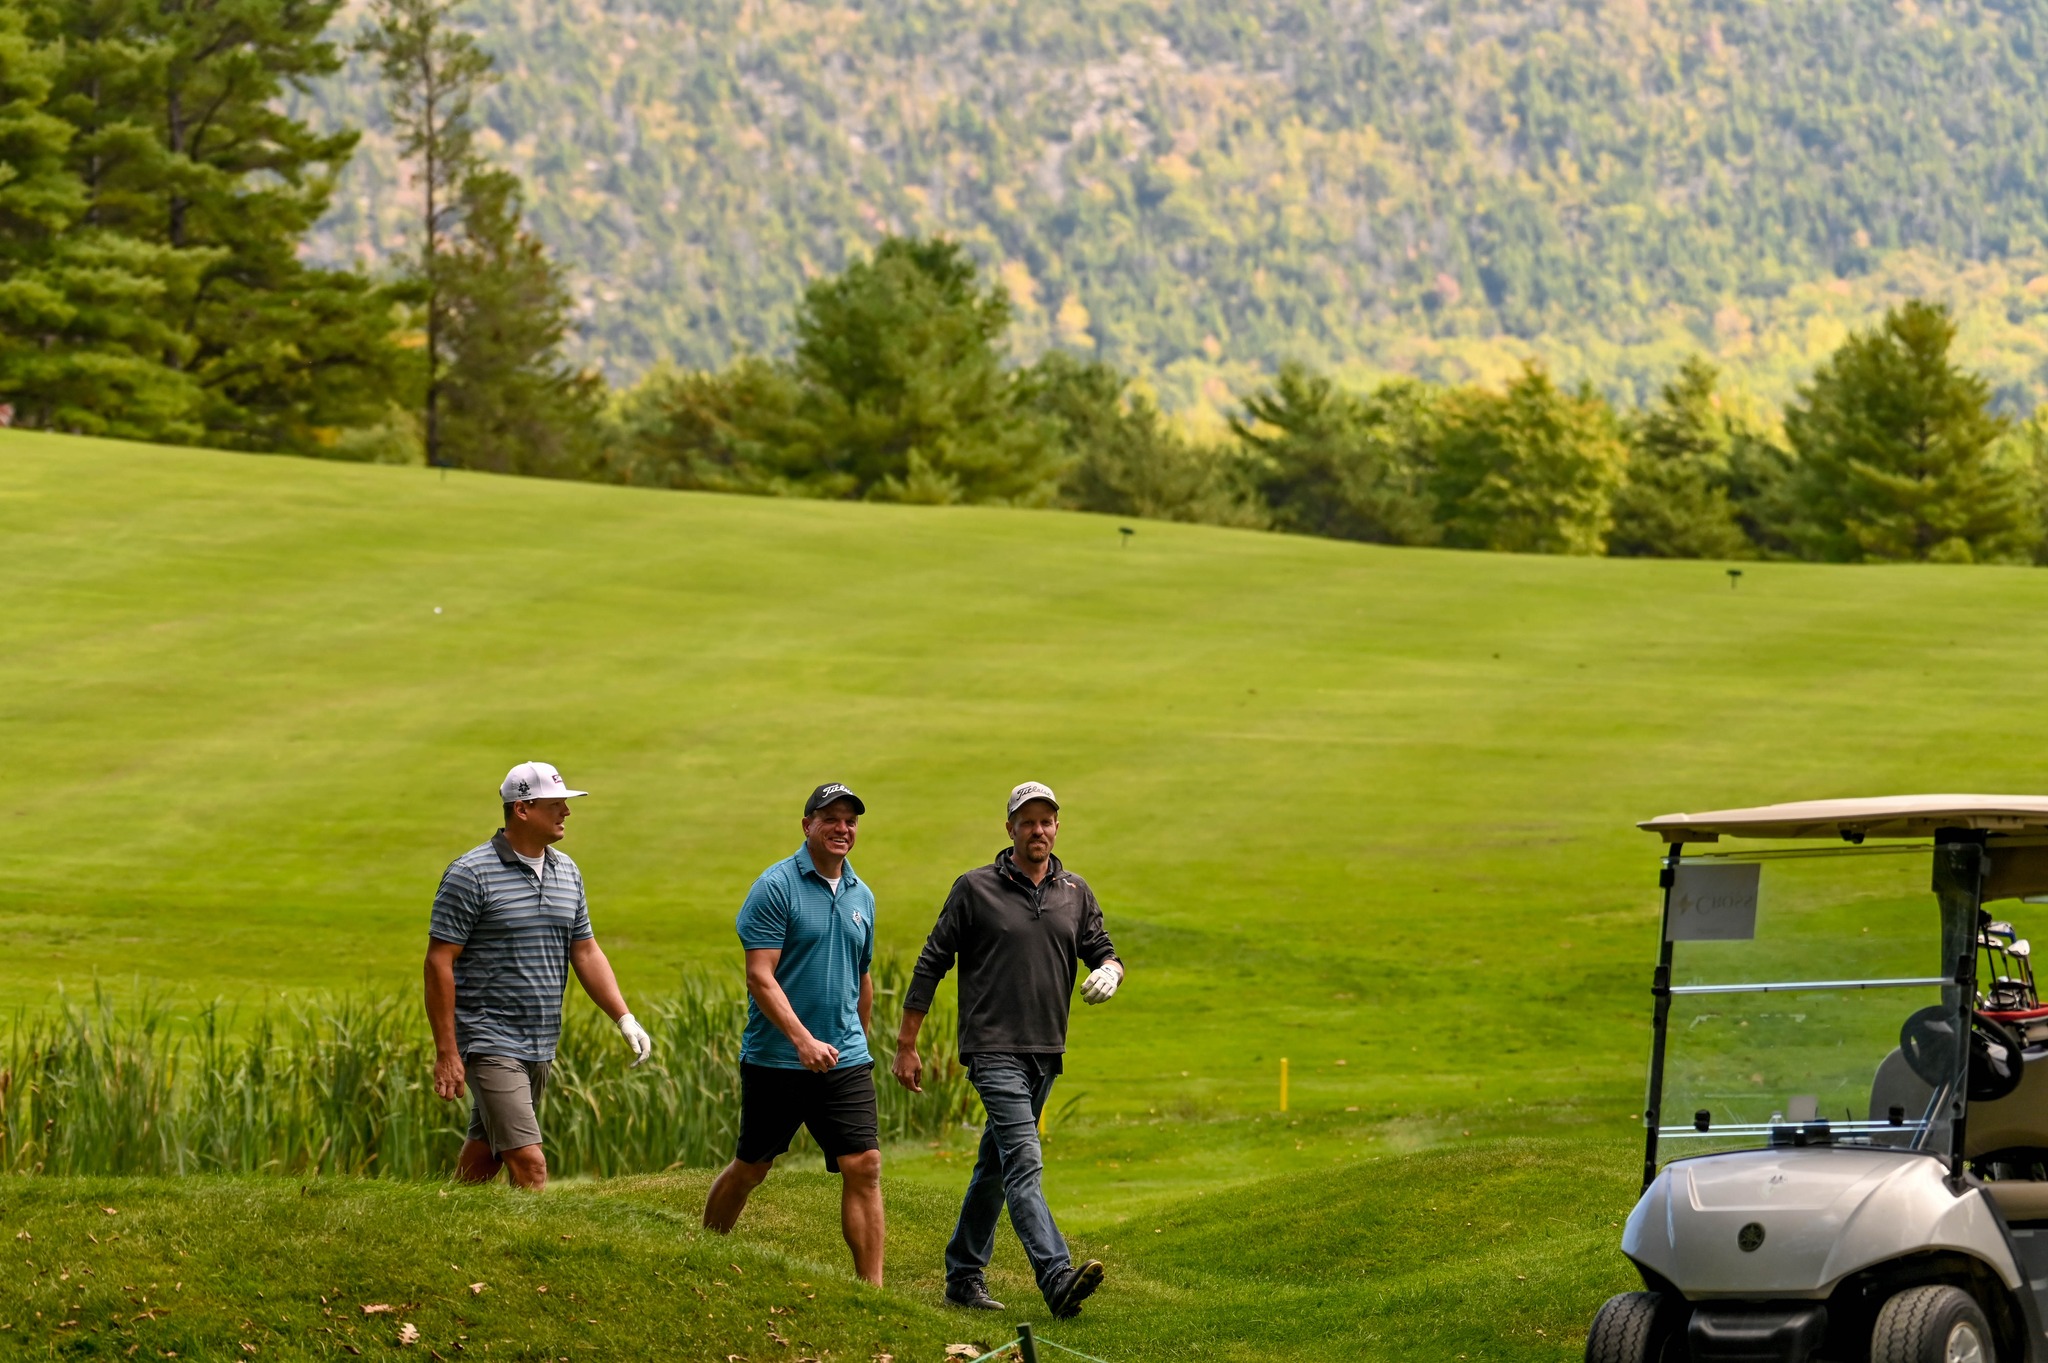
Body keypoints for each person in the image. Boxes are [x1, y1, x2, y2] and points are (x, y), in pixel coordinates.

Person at [894, 781, 1124, 1318]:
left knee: (996, 1166)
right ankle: (1056, 1275)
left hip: (1047, 1050)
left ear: (1057, 827)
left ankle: (962, 1276)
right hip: (992, 1048)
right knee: (1024, 1160)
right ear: (1010, 829)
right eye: (1027, 822)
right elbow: (932, 962)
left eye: (1046, 821)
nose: (1038, 830)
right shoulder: (974, 889)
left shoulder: (1075, 891)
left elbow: (1102, 949)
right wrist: (907, 1044)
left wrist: (1111, 971)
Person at [426, 761, 653, 1190]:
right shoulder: (470, 874)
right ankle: (534, 1232)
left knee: (484, 1156)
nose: (566, 811)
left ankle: (445, 1217)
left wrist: (624, 1018)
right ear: (522, 809)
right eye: (555, 804)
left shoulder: (567, 871)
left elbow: (585, 951)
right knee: (530, 1165)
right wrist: (447, 1052)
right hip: (488, 1038)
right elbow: (439, 962)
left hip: (540, 1040)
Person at [702, 783, 885, 1285]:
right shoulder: (775, 886)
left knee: (864, 1165)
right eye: (831, 819)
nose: (842, 828)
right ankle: (704, 1249)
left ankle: (873, 1292)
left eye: (850, 820)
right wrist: (802, 1040)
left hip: (843, 1060)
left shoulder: (862, 895)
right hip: (776, 1059)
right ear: (807, 825)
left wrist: (858, 1044)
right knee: (751, 1168)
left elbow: (862, 975)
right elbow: (759, 976)